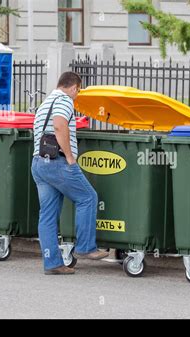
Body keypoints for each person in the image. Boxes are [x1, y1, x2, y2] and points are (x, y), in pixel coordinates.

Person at [31, 71, 108, 275]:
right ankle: (85, 247)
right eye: (78, 91)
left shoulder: (45, 103)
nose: (77, 94)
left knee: (47, 215)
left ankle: (52, 263)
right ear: (74, 87)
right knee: (88, 197)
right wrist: (70, 157)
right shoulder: (65, 100)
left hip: (39, 164)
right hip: (58, 163)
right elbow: (59, 125)